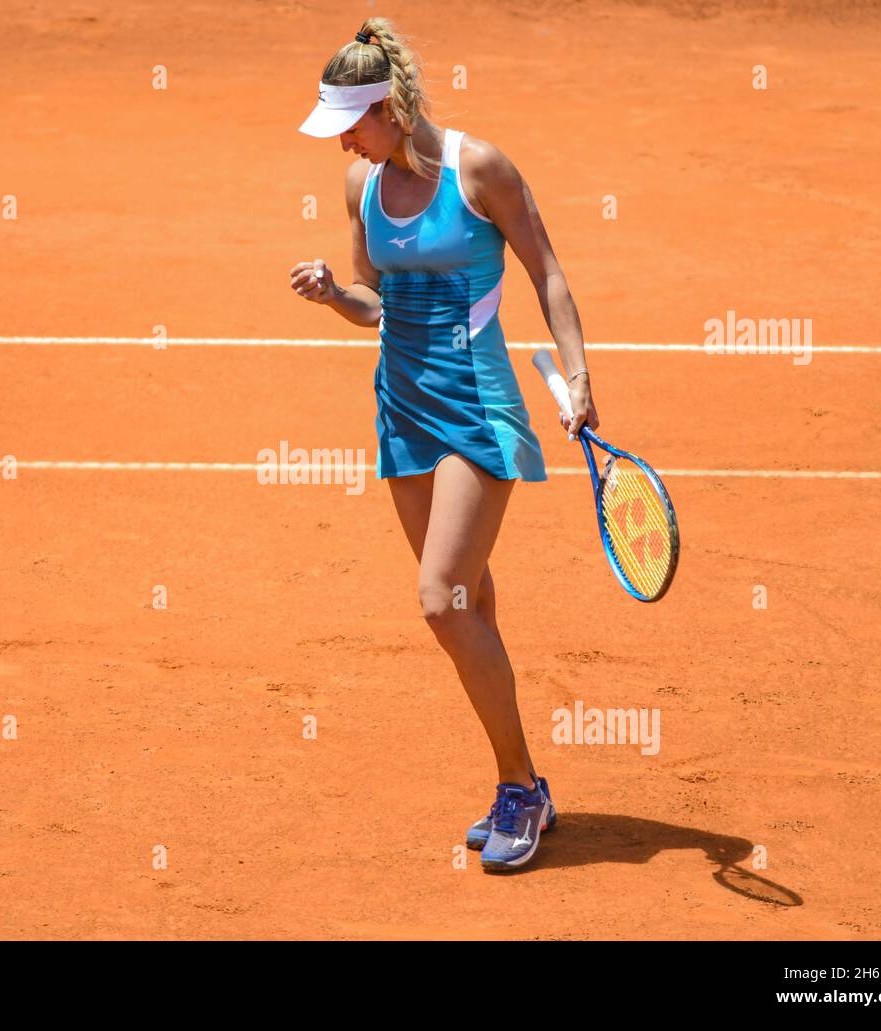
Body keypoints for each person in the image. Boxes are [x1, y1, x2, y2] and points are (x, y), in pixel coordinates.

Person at [289, 17, 599, 871]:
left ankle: (516, 787)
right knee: (471, 609)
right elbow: (373, 303)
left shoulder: (479, 168)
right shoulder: (360, 184)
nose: (342, 142)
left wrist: (576, 377)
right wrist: (330, 294)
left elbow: (548, 271)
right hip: (402, 409)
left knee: (439, 599)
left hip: (479, 406)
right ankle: (525, 783)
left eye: (350, 124)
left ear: (389, 106)